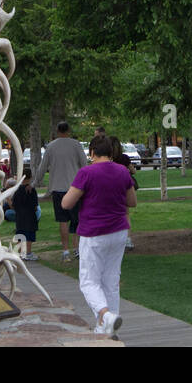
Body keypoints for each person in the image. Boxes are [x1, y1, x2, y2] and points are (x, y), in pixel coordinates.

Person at [61, 135, 137, 336]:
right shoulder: (122, 171)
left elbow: (66, 203)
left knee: (89, 281)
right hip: (119, 231)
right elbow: (132, 201)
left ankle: (105, 316)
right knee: (111, 280)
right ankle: (106, 329)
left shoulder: (86, 173)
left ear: (92, 153)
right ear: (111, 153)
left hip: (94, 233)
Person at [35, 121, 88, 260]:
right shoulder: (76, 145)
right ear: (69, 130)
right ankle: (77, 248)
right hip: (75, 187)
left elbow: (42, 166)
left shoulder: (51, 147)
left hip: (58, 188)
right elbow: (84, 164)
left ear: (57, 131)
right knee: (77, 219)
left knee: (63, 220)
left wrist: (35, 182)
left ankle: (65, 250)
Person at [109, 135, 137, 251]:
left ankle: (113, 239)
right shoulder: (124, 158)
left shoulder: (108, 160)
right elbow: (133, 171)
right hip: (124, 188)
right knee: (125, 214)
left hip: (111, 189)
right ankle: (128, 239)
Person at [11, 169, 40, 261]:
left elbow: (13, 204)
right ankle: (28, 253)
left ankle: (18, 252)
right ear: (31, 177)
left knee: (20, 233)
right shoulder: (32, 190)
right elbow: (35, 205)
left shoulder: (17, 190)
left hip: (19, 215)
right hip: (30, 215)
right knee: (29, 235)